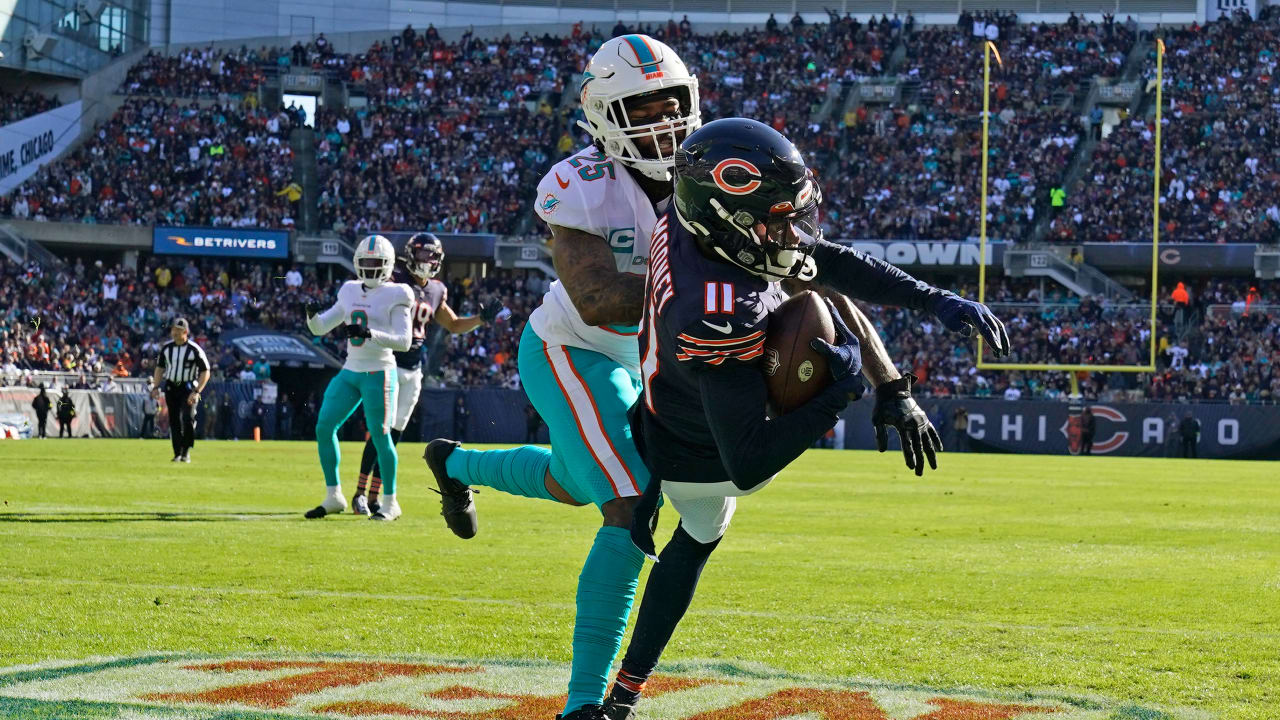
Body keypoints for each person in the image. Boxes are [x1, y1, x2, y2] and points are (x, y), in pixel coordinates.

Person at [601, 119, 1008, 719]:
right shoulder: (716, 306)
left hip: (667, 403)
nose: (791, 232)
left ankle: (482, 469)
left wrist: (934, 301)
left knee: (812, 295)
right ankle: (627, 688)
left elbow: (831, 263)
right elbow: (748, 462)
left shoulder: (693, 224)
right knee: (702, 531)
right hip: (695, 452)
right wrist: (840, 393)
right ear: (725, 217)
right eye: (774, 218)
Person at [423, 34, 705, 719]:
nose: (666, 120)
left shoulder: (711, 169)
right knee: (629, 501)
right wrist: (708, 287)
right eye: (645, 107)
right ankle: (584, 706)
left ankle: (455, 464)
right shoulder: (581, 184)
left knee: (574, 484)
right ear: (607, 117)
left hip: (640, 363)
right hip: (572, 349)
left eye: (674, 103)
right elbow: (598, 297)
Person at [349, 233, 505, 519]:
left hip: (414, 369)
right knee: (381, 434)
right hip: (389, 363)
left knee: (393, 436)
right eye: (424, 255)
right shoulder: (393, 283)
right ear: (410, 255)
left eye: (433, 256)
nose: (429, 262)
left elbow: (454, 324)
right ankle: (360, 494)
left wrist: (481, 320)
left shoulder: (435, 290)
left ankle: (374, 496)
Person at [303, 235, 414, 520]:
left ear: (388, 265)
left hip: (379, 371)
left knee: (381, 435)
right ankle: (333, 496)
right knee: (324, 426)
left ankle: (391, 502)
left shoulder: (398, 293)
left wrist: (370, 334)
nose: (370, 267)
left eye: (375, 263)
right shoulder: (350, 290)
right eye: (365, 262)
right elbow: (321, 327)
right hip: (351, 370)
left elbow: (404, 340)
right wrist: (311, 315)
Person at [150, 318, 210, 462]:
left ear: (185, 332)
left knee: (188, 419)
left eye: (178, 330)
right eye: (173, 330)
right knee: (174, 420)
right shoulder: (167, 348)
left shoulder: (194, 349)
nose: (174, 333)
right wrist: (156, 387)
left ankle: (186, 451)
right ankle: (177, 452)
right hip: (171, 386)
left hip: (188, 387)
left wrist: (197, 391)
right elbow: (160, 368)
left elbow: (205, 371)